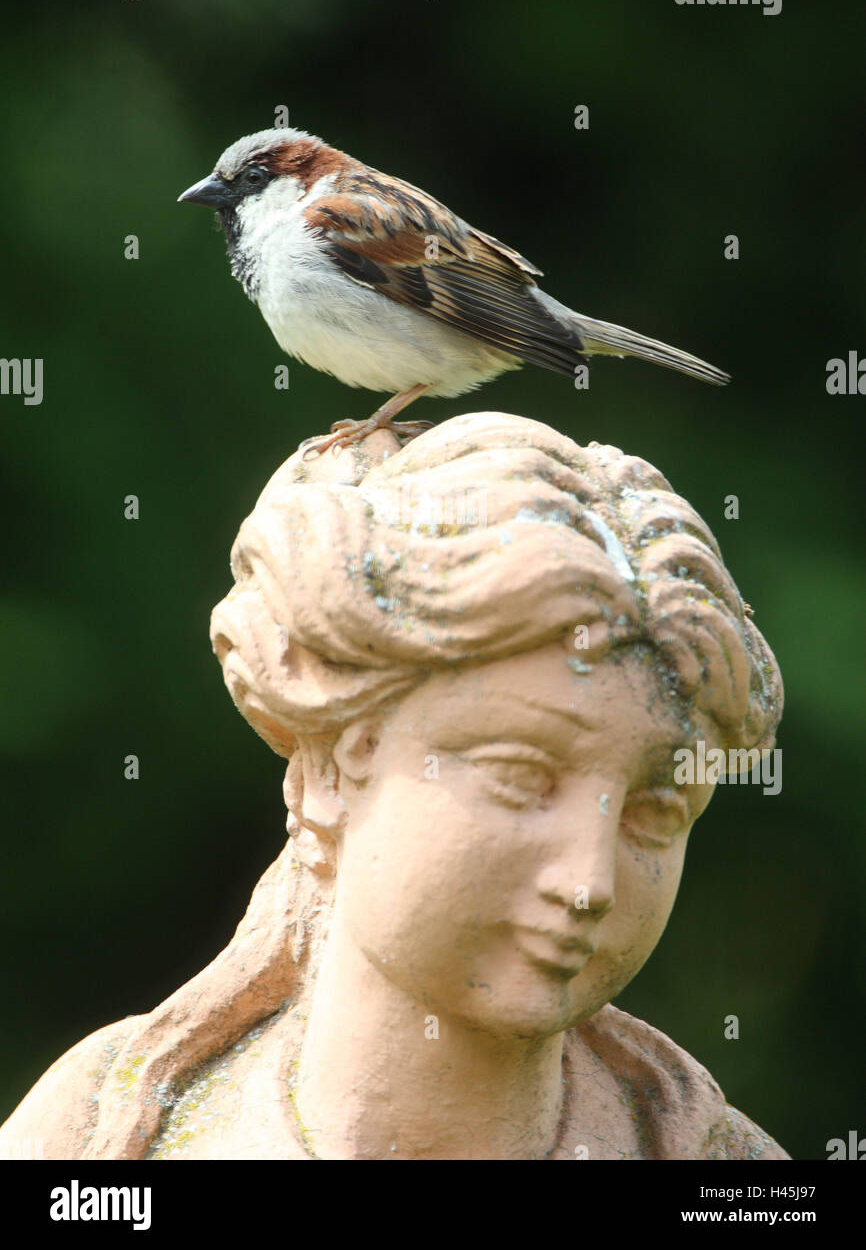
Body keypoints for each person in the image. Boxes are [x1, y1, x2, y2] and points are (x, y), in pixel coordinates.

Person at [0, 413, 788, 1160]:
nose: (587, 882)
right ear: (337, 767)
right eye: (519, 776)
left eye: (655, 812)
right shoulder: (97, 1136)